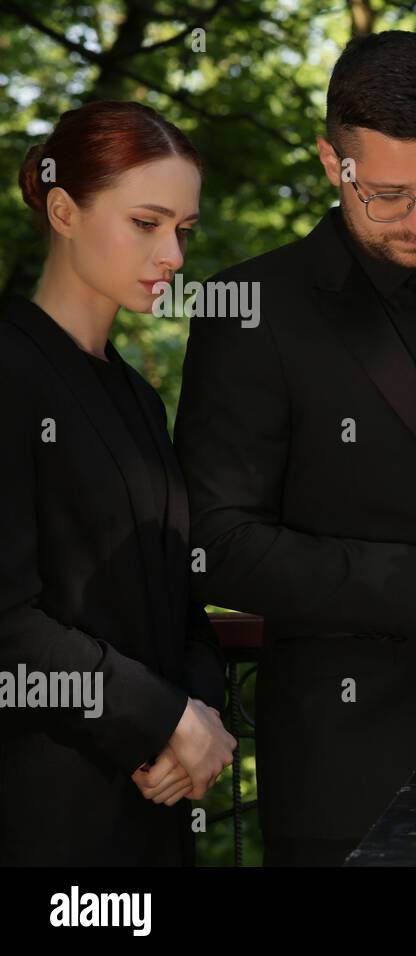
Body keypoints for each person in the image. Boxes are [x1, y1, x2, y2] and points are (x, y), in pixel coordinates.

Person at [173, 32, 416, 866]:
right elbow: (214, 543)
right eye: (386, 194)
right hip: (348, 769)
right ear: (330, 161)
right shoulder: (250, 307)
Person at [0, 101, 235, 865]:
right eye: (146, 222)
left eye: (185, 229)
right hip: (43, 814)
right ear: (64, 209)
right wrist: (165, 717)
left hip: (155, 808)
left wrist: (200, 716)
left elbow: (180, 596)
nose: (173, 252)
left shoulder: (138, 398)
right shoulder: (8, 368)